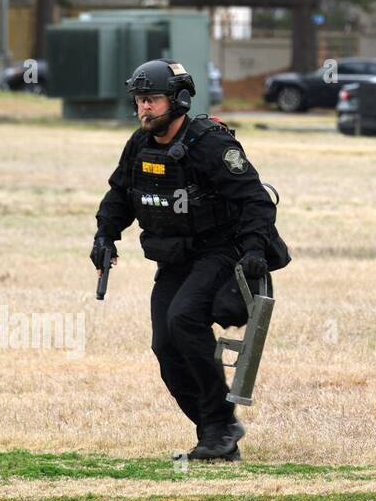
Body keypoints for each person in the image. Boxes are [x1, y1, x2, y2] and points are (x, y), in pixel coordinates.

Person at [91, 60, 284, 461]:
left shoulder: (211, 145)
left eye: (152, 100)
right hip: (175, 256)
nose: (144, 108)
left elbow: (255, 199)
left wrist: (252, 249)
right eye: (140, 101)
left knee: (184, 319)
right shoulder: (139, 145)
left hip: (220, 251)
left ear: (177, 101)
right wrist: (105, 234)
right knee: (164, 344)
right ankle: (215, 433)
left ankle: (220, 426)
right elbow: (120, 194)